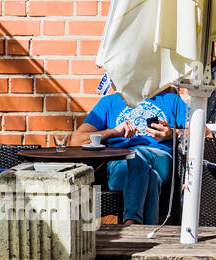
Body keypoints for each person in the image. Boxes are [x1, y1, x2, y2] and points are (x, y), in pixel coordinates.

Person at [69, 87, 187, 226]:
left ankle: (131, 222)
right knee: (151, 177)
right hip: (121, 164)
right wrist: (114, 131)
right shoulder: (109, 102)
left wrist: (173, 133)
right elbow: (76, 140)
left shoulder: (172, 100)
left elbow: (204, 131)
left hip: (158, 158)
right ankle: (145, 231)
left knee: (138, 155)